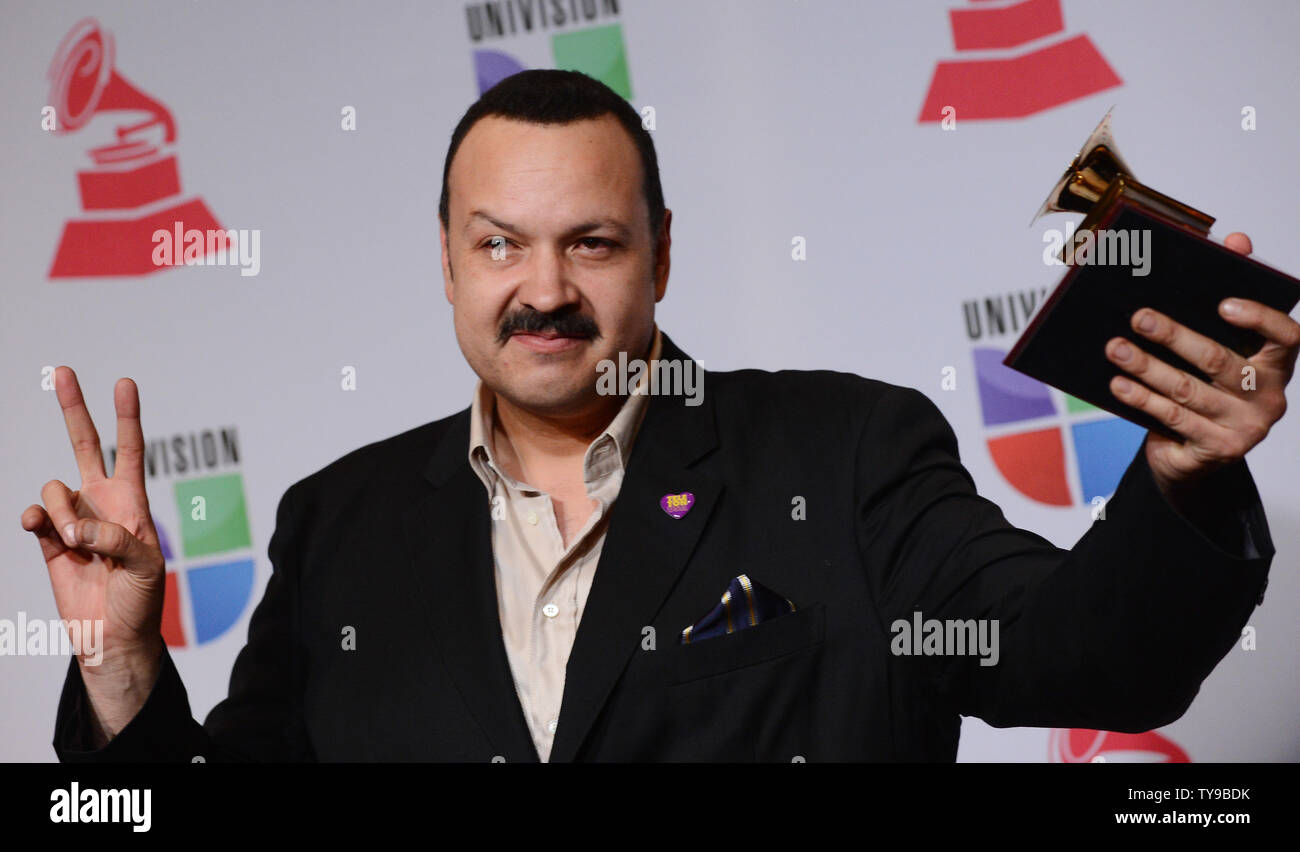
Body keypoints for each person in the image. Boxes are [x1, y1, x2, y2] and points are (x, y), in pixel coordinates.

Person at [23, 70, 1296, 762]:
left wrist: (1181, 475)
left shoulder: (846, 453)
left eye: (591, 243)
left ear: (662, 257)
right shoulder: (339, 522)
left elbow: (1085, 659)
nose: (543, 290)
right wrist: (121, 666)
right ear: (450, 265)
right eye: (499, 245)